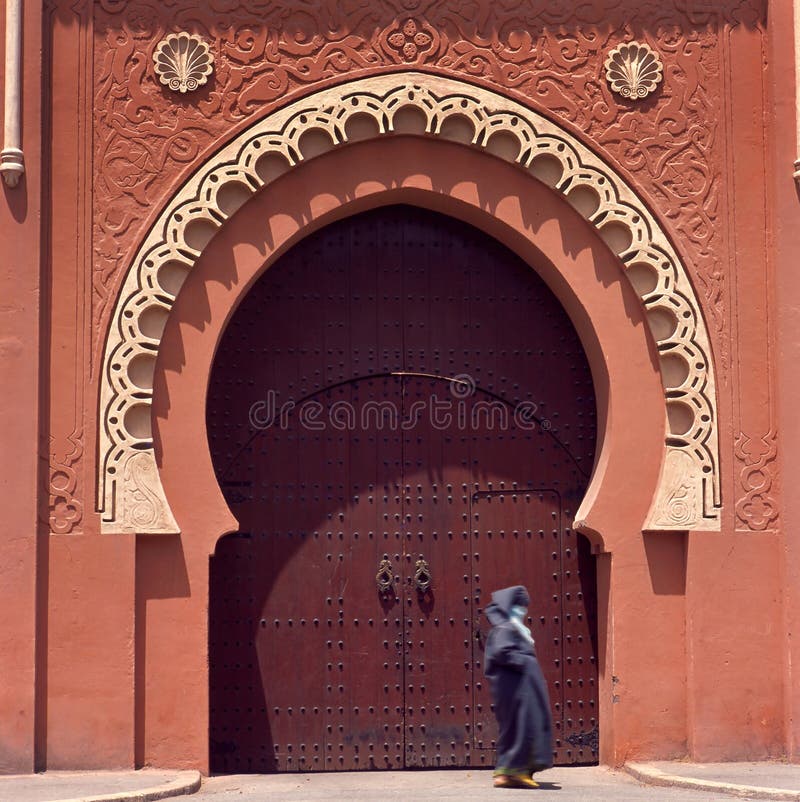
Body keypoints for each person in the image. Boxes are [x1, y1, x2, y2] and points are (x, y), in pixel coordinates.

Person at [483, 585, 553, 789]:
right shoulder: (505, 628)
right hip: (514, 691)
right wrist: (526, 661)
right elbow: (501, 653)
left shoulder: (510, 626)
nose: (523, 611)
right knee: (521, 729)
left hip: (518, 689)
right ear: (511, 606)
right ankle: (513, 772)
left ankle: (509, 773)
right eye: (520, 606)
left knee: (519, 729)